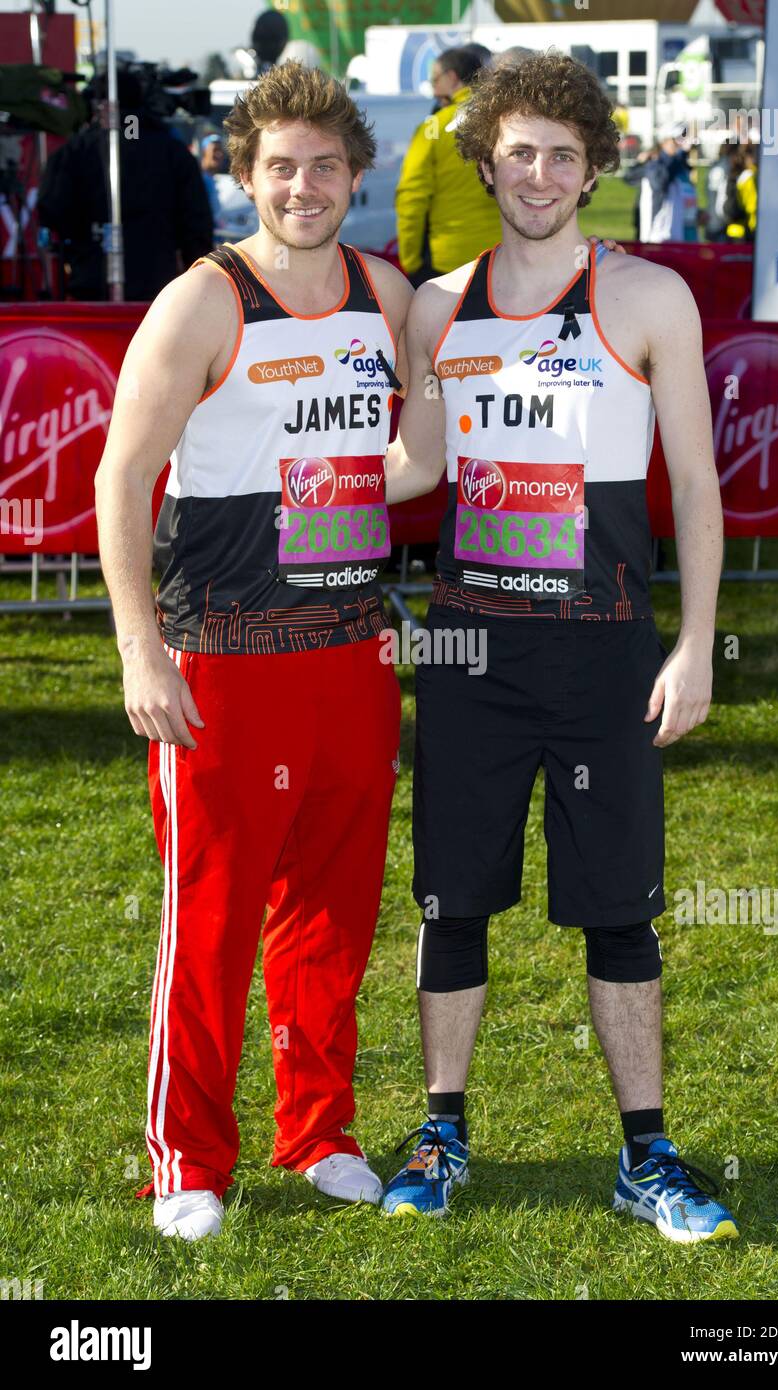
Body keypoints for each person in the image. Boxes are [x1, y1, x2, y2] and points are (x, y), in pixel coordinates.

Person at [381, 52, 739, 1242]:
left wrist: (693, 646)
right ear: (484, 159)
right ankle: (441, 1131)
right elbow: (417, 469)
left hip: (603, 656)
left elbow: (693, 482)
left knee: (617, 910)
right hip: (470, 652)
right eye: (517, 150)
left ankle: (647, 1154)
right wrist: (265, 455)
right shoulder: (438, 305)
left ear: (593, 165)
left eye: (561, 153)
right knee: (453, 901)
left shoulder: (646, 299)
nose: (537, 173)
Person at [94, 60, 413, 1241]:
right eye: (279, 166)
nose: (303, 186)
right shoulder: (202, 300)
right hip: (222, 661)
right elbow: (119, 475)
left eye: (325, 165)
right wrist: (140, 650)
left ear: (355, 174)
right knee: (212, 916)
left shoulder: (386, 293)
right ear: (243, 174)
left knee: (334, 913)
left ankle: (319, 1128)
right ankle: (188, 1153)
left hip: (351, 654)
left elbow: (492, 344)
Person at [37, 69, 213, 301]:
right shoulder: (173, 152)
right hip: (158, 287)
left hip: (92, 279)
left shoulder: (75, 152)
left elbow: (52, 211)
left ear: (101, 105)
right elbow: (196, 224)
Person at [395, 47, 502, 288]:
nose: (433, 89)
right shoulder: (508, 122)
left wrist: (411, 261)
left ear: (452, 78)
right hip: (503, 259)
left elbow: (411, 198)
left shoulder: (433, 127)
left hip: (446, 263)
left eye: (435, 80)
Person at [625, 122, 698, 243]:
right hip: (656, 236)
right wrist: (679, 155)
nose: (681, 144)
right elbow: (660, 183)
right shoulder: (654, 163)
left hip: (677, 234)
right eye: (677, 140)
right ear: (665, 140)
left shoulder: (679, 165)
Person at [724, 143, 758, 243]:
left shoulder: (734, 175)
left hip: (733, 228)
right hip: (747, 229)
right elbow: (752, 207)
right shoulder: (749, 176)